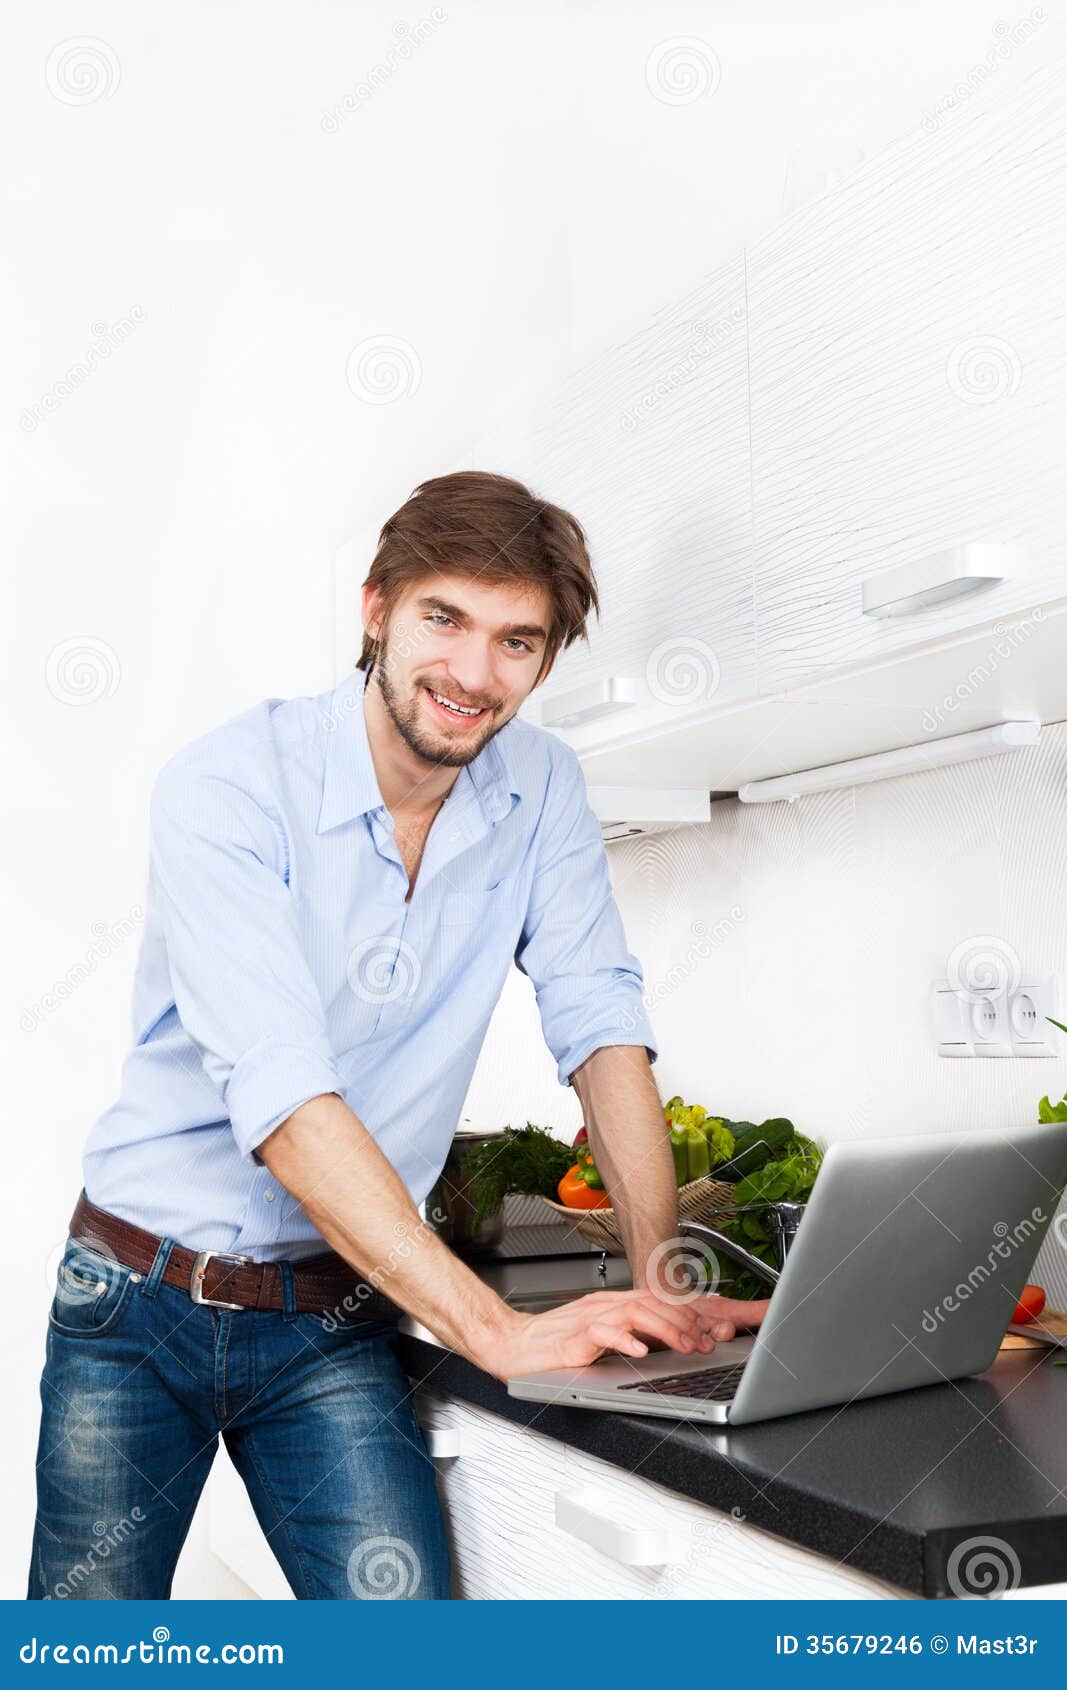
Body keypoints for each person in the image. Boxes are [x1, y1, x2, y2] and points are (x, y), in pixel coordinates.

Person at [29, 471, 764, 1601]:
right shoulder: (226, 787)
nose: (473, 674)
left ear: (546, 660)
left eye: (516, 640)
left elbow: (600, 1023)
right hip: (137, 1298)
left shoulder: (543, 792)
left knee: (407, 1644)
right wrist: (491, 1330)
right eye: (444, 618)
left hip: (332, 1314)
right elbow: (283, 1100)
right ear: (374, 606)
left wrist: (662, 1272)